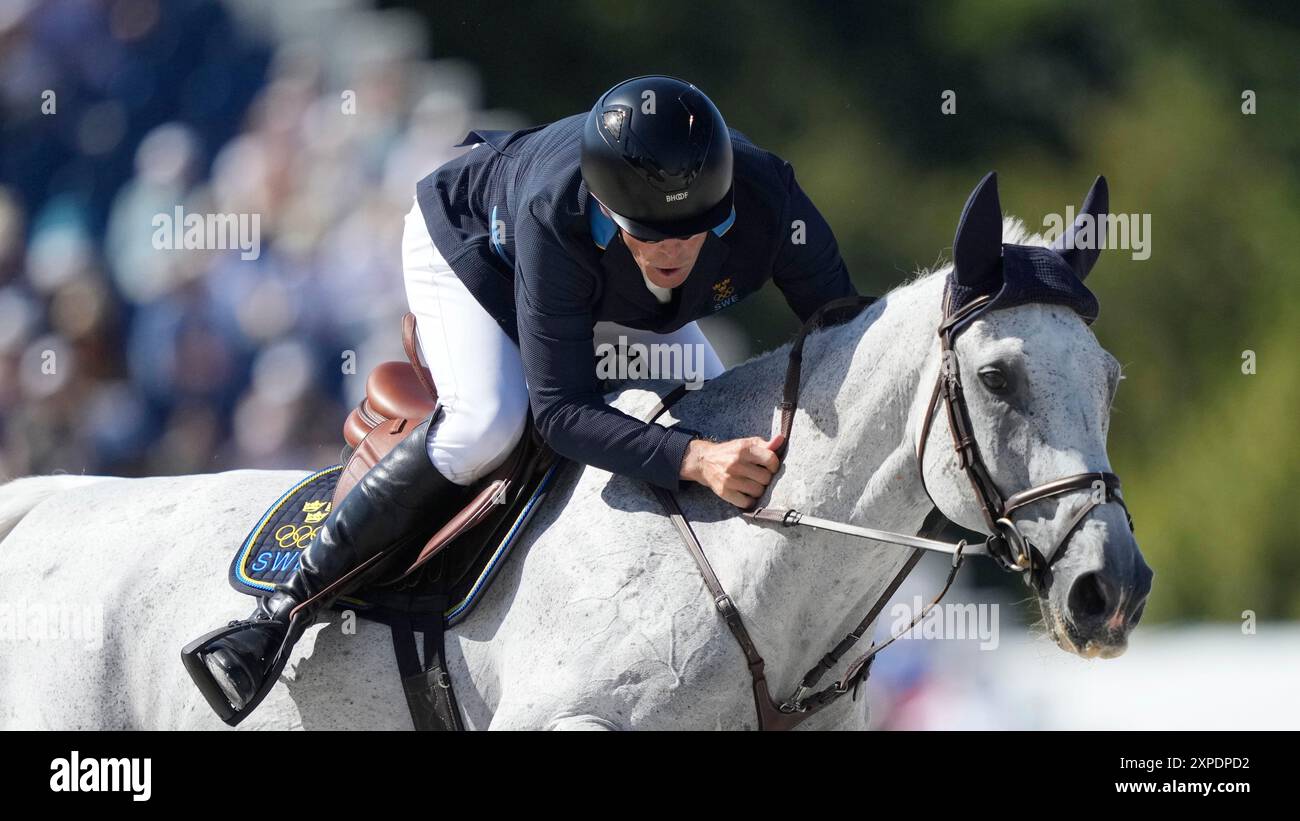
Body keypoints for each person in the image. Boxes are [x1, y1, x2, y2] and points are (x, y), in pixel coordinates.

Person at [186, 75, 858, 720]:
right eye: (649, 231)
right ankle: (280, 611)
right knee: (488, 424)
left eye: (693, 229)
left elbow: (846, 335)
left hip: (618, 294)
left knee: (720, 405)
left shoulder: (769, 194)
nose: (674, 248)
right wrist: (696, 459)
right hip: (480, 247)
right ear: (606, 206)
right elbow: (563, 414)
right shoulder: (555, 210)